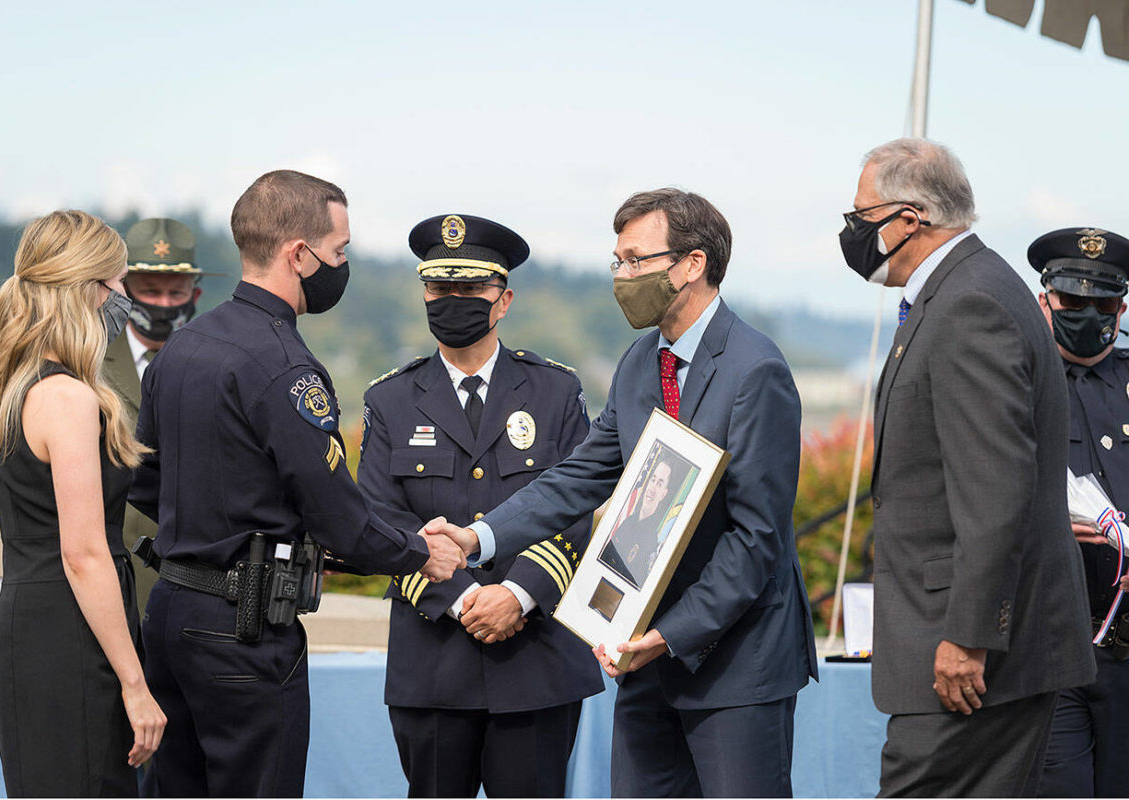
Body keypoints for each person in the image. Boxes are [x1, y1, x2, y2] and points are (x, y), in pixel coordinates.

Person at [427, 189, 818, 797]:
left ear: (691, 264)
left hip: (735, 663)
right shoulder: (640, 362)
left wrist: (669, 636)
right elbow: (581, 473)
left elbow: (756, 539)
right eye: (618, 262)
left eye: (637, 260)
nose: (623, 277)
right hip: (643, 656)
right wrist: (479, 536)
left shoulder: (754, 369)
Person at [128, 171, 464, 797]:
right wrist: (422, 551)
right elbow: (337, 515)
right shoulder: (285, 367)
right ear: (298, 254)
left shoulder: (181, 348)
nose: (342, 264)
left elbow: (145, 484)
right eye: (338, 250)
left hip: (170, 614)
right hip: (244, 628)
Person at [838, 138, 1096, 797]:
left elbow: (996, 490)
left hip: (967, 662)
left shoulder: (967, 305)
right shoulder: (960, 291)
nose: (854, 232)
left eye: (862, 216)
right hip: (966, 651)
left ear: (909, 217)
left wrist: (969, 637)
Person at [357, 213, 605, 797]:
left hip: (536, 654)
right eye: (440, 289)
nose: (453, 301)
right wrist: (466, 596)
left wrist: (516, 596)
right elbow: (380, 518)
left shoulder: (555, 390)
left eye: (470, 289)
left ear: (503, 299)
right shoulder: (389, 399)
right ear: (424, 293)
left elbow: (575, 505)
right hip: (433, 657)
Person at [0, 209, 167, 796]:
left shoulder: (16, 388)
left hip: (36, 627)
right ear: (86, 291)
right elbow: (83, 553)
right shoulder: (67, 398)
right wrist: (134, 682)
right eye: (119, 284)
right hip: (70, 639)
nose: (126, 299)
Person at [1028, 227, 1129, 797]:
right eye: (1073, 301)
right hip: (1051, 648)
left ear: (1121, 306)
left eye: (1104, 303)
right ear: (1045, 299)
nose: (1089, 313)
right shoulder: (1016, 381)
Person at [104, 217, 206, 618]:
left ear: (195, 293)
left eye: (174, 292)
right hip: (117, 576)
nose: (164, 304)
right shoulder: (89, 360)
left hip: (198, 580)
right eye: (151, 291)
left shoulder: (218, 362)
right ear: (125, 292)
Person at [599, 455, 680, 589]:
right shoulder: (627, 522)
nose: (652, 488)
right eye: (653, 480)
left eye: (659, 483)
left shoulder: (651, 541)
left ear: (663, 494)